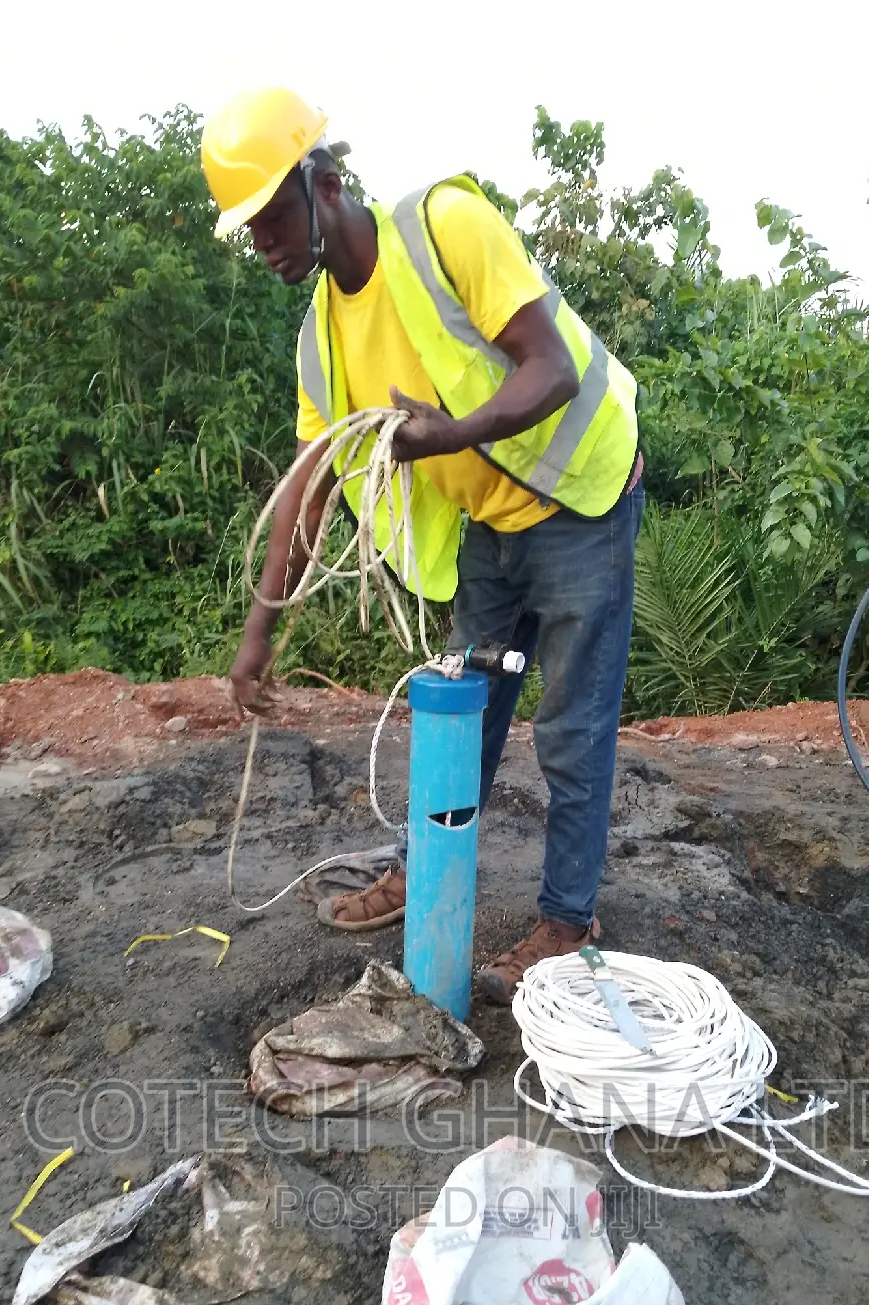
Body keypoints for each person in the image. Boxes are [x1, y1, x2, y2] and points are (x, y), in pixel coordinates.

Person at [201, 87, 644, 1003]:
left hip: (583, 499)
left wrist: (449, 435)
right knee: (462, 711)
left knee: (569, 726)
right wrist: (259, 631)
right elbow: (311, 485)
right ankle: (425, 872)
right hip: (490, 525)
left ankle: (567, 918)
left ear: (322, 184)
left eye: (271, 216)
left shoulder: (445, 226)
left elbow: (552, 369)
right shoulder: (319, 341)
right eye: (248, 230)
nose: (264, 244)